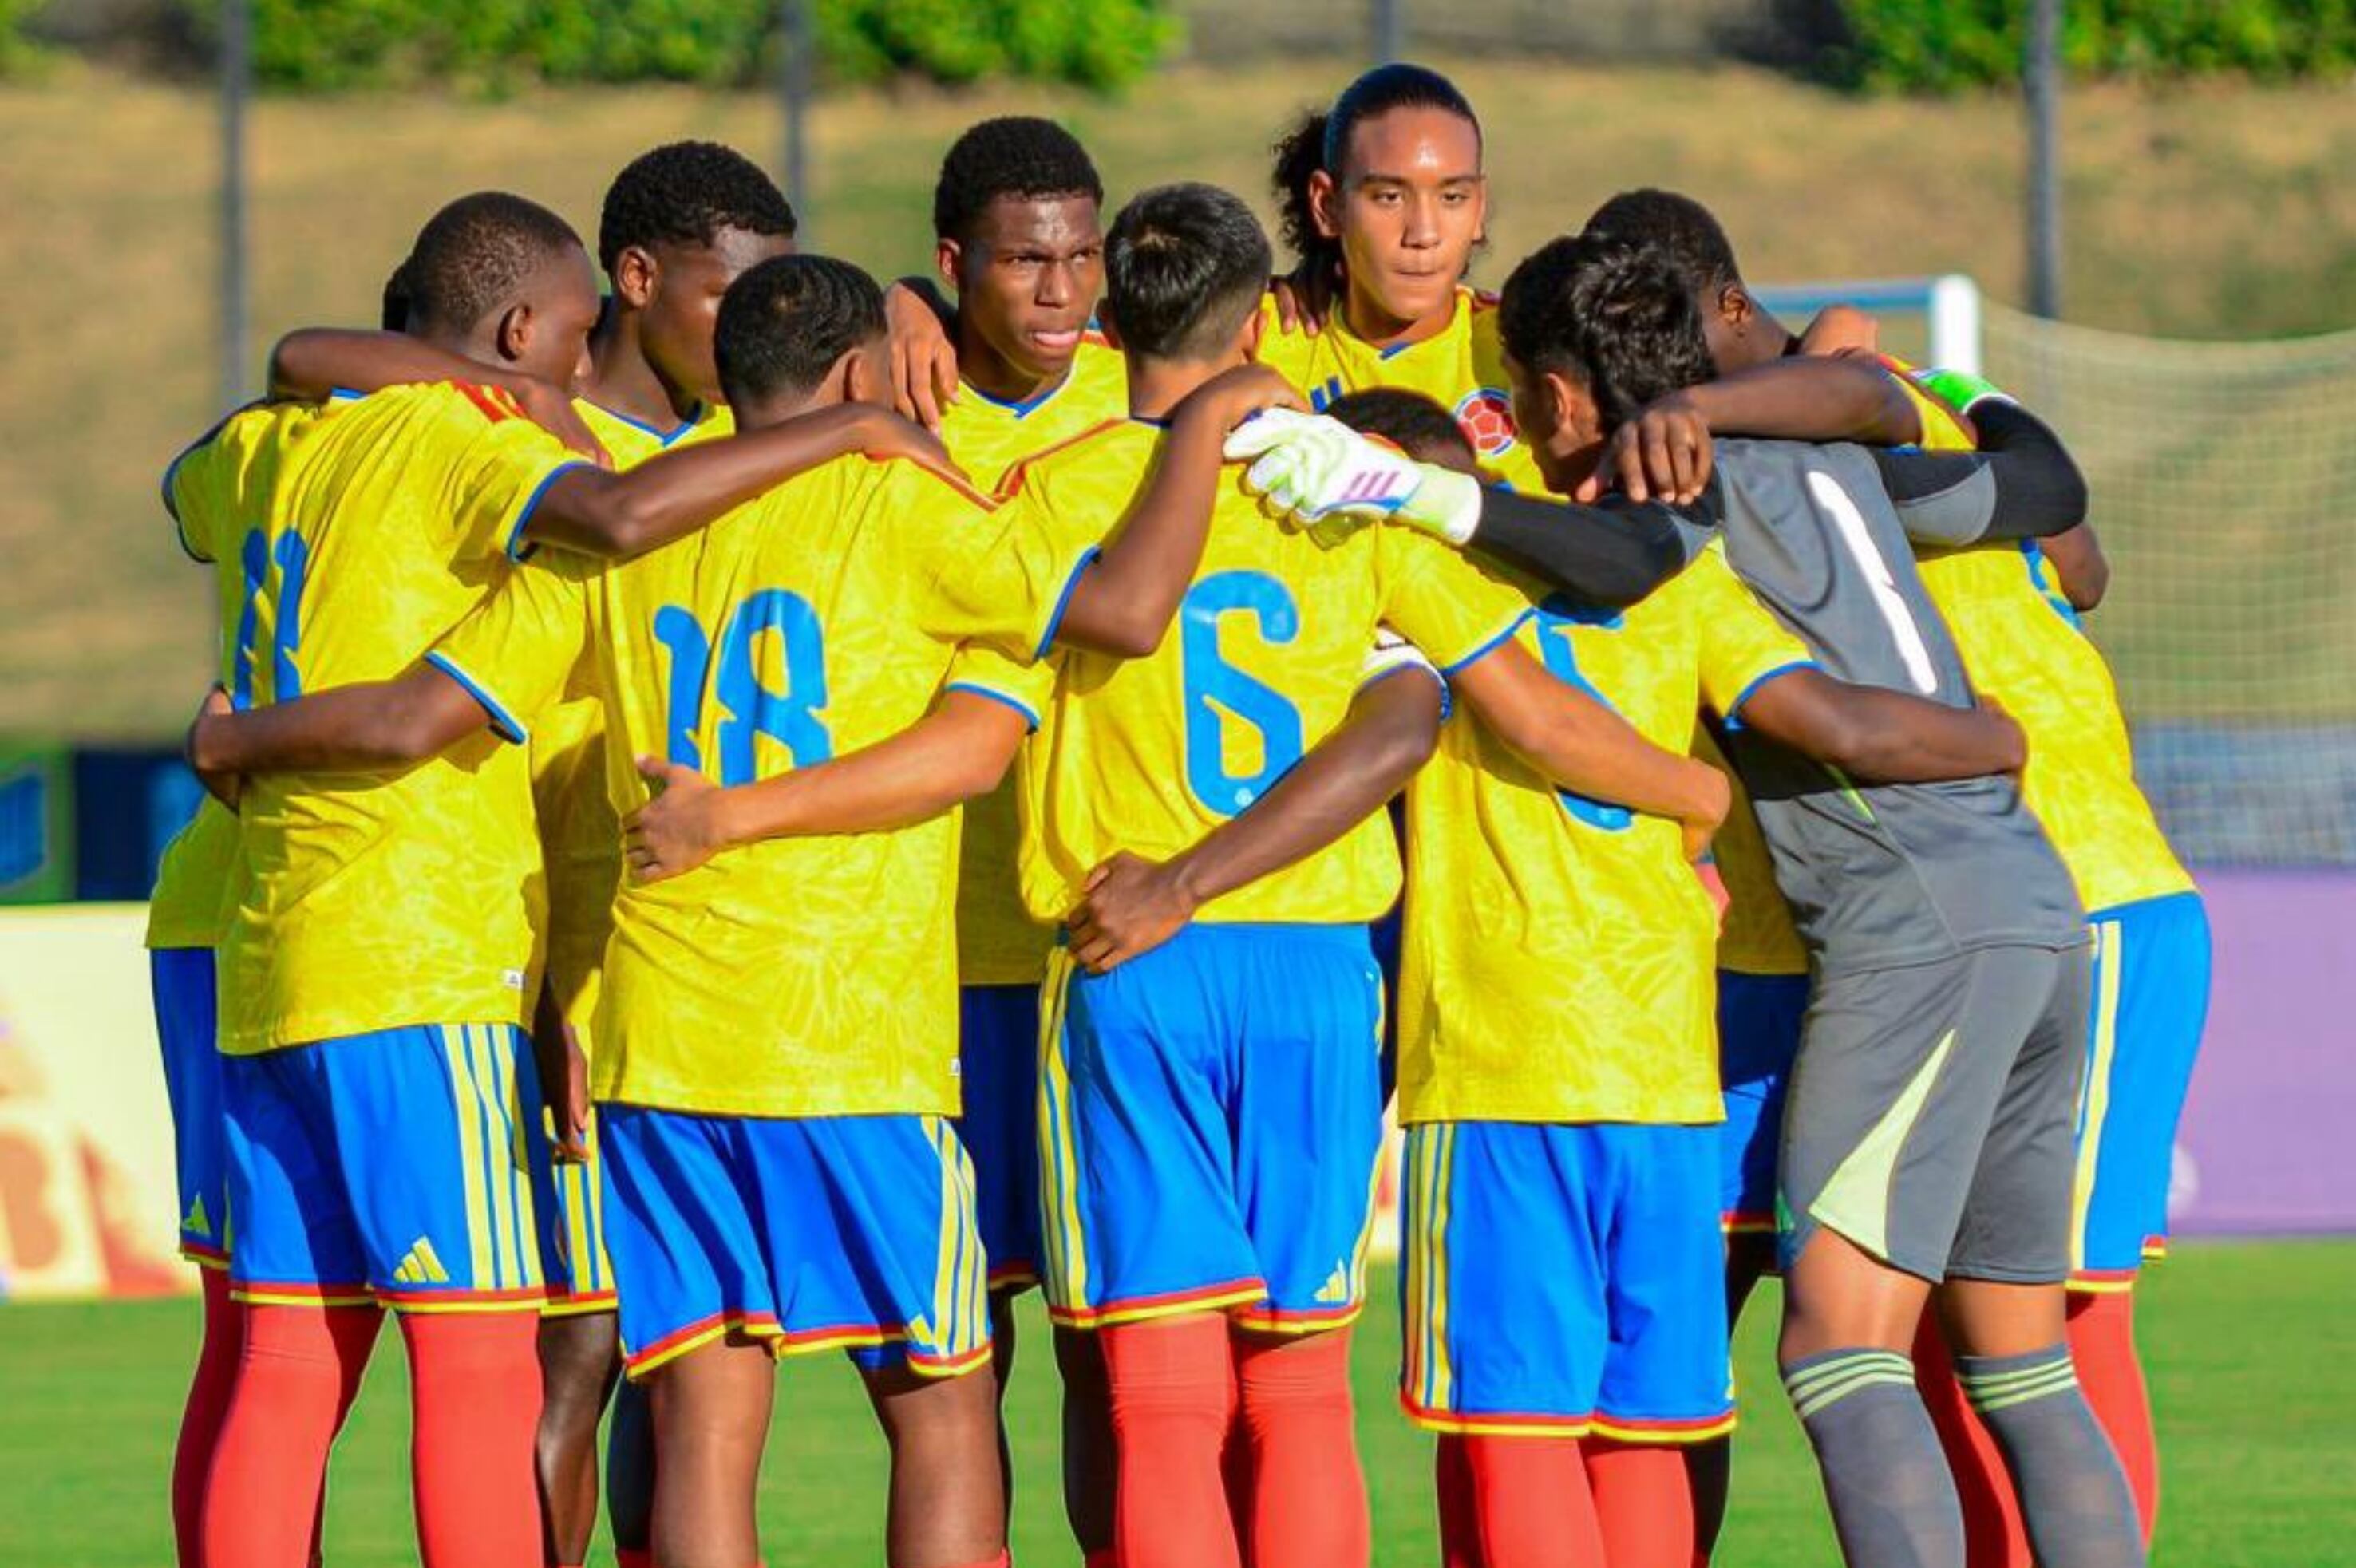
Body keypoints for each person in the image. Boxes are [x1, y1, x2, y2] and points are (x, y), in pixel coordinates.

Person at [186, 245, 1307, 1568]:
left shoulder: (626, 529)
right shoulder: (898, 502)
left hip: (659, 1036)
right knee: (939, 1401)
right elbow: (1119, 608)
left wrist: (244, 737)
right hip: (847, 1043)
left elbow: (435, 702)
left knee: (708, 1416)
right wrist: (1204, 423)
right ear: (855, 377)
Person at [171, 191, 947, 1568]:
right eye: (577, 339)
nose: (583, 375)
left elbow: (268, 393)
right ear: (525, 331)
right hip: (425, 948)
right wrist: (846, 422)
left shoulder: (261, 446)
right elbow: (609, 514)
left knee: (280, 1356)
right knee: (478, 1361)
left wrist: (232, 734)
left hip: (268, 943)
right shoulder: (473, 442)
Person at [1000, 179, 1749, 1568]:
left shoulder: (1049, 493)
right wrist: (1700, 790)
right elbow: (1483, 704)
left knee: (1160, 1397)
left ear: (1106, 315)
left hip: (1133, 953)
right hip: (1318, 978)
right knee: (1295, 1388)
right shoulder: (1346, 491)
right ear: (1256, 320)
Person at [1591, 188, 2208, 1566]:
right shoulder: (1864, 453)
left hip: (1923, 921)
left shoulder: (1674, 501)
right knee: (2021, 1359)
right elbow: (2046, 494)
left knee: (1839, 1350)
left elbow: (1834, 713)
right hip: (2029, 896)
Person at [264, 139, 800, 1568]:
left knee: (659, 1344)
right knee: (548, 1343)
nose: (741, 333)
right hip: (498, 936)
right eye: (719, 296)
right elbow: (310, 359)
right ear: (628, 285)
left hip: (667, 945)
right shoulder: (535, 457)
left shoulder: (698, 463)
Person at [1259, 62, 1551, 495]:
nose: (1423, 234)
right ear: (1327, 205)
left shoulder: (1539, 353)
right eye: (1389, 197)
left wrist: (1685, 404)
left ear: (1479, 208)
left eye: (1452, 197)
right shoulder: (1253, 340)